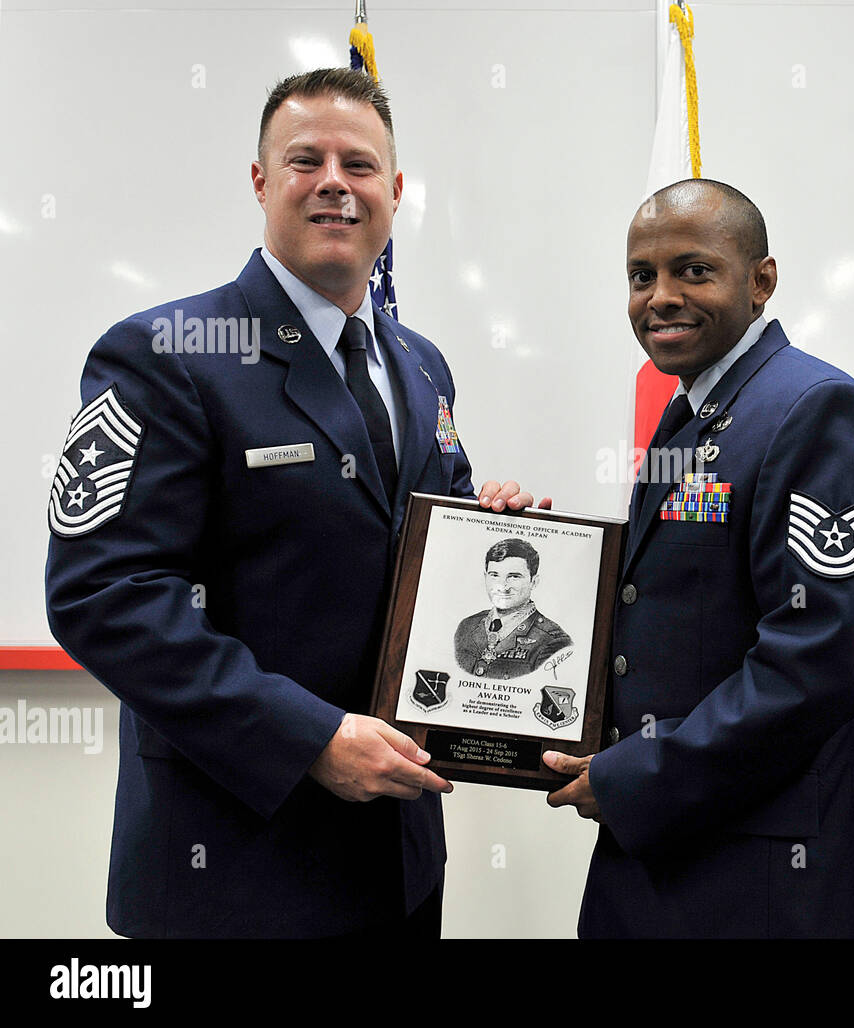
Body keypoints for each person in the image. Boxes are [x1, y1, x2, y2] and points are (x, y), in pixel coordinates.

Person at [44, 68, 546, 938]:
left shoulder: (421, 364)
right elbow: (105, 596)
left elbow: (421, 550)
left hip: (397, 861)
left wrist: (483, 535)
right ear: (261, 181)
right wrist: (307, 738)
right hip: (234, 869)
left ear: (395, 191)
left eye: (359, 166)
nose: (333, 184)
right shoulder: (168, 354)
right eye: (305, 159)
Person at [544, 179, 854, 938]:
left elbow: (817, 660)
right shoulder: (691, 412)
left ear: (762, 280)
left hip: (765, 876)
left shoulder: (812, 408)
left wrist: (639, 775)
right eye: (642, 277)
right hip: (663, 855)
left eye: (693, 270)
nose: (661, 296)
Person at [453, 537, 573, 679]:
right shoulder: (466, 626)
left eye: (514, 577)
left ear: (533, 582)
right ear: (485, 577)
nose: (503, 586)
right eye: (494, 575)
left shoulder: (552, 640)